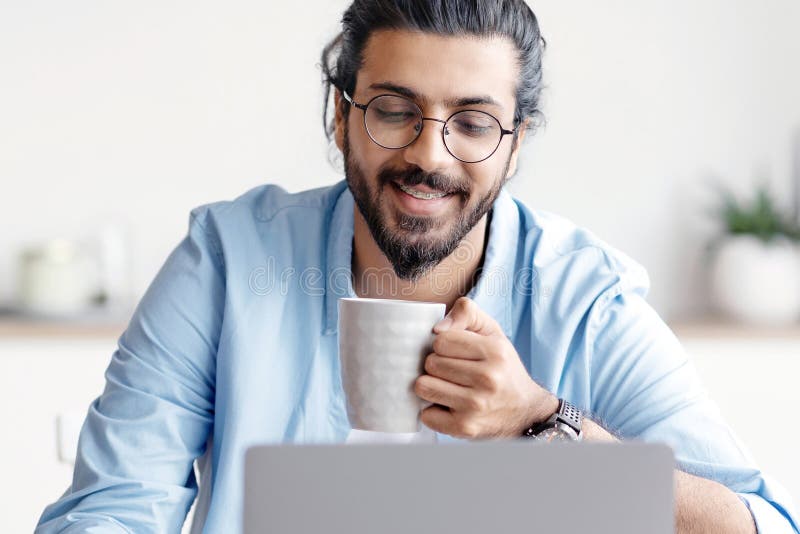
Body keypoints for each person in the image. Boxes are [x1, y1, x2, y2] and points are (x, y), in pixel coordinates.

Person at [37, 1, 799, 532]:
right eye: (395, 110)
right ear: (341, 115)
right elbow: (110, 512)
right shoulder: (230, 263)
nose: (429, 154)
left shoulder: (586, 300)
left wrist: (540, 424)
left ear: (515, 144)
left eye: (473, 122)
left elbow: (759, 525)